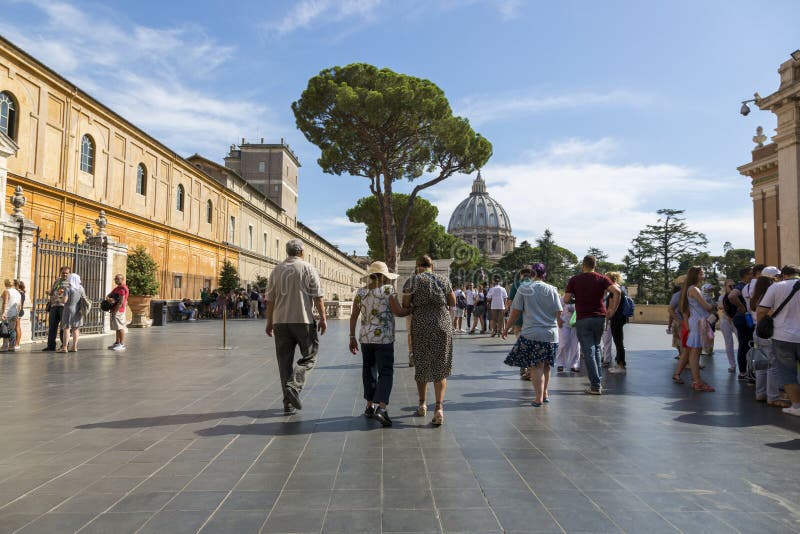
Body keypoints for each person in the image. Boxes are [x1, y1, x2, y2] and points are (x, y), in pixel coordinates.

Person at [265, 239, 326, 414]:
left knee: (284, 362)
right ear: (301, 252)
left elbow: (270, 300)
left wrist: (269, 322)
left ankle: (288, 403)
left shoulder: (276, 270)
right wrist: (323, 318)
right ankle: (295, 385)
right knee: (310, 356)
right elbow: (318, 296)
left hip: (280, 321)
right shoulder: (308, 268)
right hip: (302, 319)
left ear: (288, 252)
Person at [349, 261, 408, 427]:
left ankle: (369, 406)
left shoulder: (360, 292)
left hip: (365, 338)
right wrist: (411, 309)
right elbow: (398, 312)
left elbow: (353, 316)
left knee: (368, 370)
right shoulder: (388, 290)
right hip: (384, 338)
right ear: (383, 276)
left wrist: (351, 336)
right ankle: (381, 408)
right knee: (385, 371)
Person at [402, 255, 455, 426]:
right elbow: (452, 301)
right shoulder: (443, 280)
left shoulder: (412, 281)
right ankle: (439, 408)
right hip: (442, 324)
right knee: (440, 366)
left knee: (422, 363)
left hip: (421, 325)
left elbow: (405, 304)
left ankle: (422, 404)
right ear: (432, 266)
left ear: (417, 266)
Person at [502, 263, 562, 406]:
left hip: (533, 333)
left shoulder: (524, 288)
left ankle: (538, 398)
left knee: (536, 366)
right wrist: (559, 324)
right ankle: (545, 393)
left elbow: (515, 312)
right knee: (546, 366)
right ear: (544, 274)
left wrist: (506, 328)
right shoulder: (552, 289)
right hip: (551, 334)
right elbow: (559, 312)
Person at [564, 255, 620, 395]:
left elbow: (566, 299)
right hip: (599, 318)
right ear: (595, 265)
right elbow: (617, 291)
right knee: (596, 348)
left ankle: (595, 386)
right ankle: (598, 380)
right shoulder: (602, 278)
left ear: (583, 265)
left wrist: (575, 297)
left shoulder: (575, 279)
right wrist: (612, 310)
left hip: (583, 318)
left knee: (588, 351)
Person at [757, 264, 800, 417]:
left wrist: (762, 327)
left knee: (787, 373)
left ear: (783, 275)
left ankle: (796, 407)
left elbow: (761, 310)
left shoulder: (776, 287)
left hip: (782, 336)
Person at [673, 266, 715, 392]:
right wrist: (714, 305)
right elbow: (707, 307)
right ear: (696, 275)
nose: (704, 275)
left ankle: (696, 380)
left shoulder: (689, 289)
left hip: (695, 322)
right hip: (698, 323)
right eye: (701, 273)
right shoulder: (694, 289)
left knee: (693, 352)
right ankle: (697, 381)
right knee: (695, 353)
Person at [750, 268, 787, 406]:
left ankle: (760, 393)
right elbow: (770, 313)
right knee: (773, 365)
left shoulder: (755, 296)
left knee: (761, 364)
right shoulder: (769, 296)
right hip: (768, 332)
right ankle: (773, 397)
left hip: (758, 331)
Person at [729, 266, 755, 380]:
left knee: (745, 344)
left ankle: (745, 371)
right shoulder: (742, 285)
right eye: (751, 273)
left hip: (741, 318)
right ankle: (744, 371)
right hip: (744, 318)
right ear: (745, 275)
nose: (752, 275)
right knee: (745, 344)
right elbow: (732, 296)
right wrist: (741, 307)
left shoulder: (745, 285)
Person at [509, 266, 532, 379]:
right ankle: (530, 368)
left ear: (521, 274)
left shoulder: (516, 284)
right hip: (532, 320)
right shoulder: (535, 285)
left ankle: (524, 367)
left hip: (519, 319)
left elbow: (510, 302)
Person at [605, 272, 629, 373]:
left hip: (616, 319)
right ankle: (619, 363)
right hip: (621, 318)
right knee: (619, 341)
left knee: (618, 342)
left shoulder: (613, 291)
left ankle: (621, 365)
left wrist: (607, 319)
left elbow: (610, 308)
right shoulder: (620, 288)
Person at [43, 266, 70, 351]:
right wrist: (49, 292)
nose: (65, 274)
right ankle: (51, 346)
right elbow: (53, 291)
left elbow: (67, 294)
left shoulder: (70, 282)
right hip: (54, 306)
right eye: (63, 273)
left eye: (67, 273)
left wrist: (57, 296)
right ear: (60, 273)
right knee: (52, 326)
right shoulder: (57, 281)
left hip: (64, 307)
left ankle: (64, 345)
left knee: (63, 327)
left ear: (69, 274)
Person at [59, 273, 86, 352]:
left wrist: (59, 298)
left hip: (68, 309)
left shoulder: (68, 289)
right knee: (76, 329)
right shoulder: (81, 288)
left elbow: (64, 300)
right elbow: (84, 298)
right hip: (78, 310)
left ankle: (64, 347)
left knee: (66, 328)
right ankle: (74, 347)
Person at [718, 279, 738, 373]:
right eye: (729, 286)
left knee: (742, 342)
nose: (732, 287)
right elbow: (720, 306)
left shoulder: (737, 295)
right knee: (729, 343)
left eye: (733, 285)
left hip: (736, 320)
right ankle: (732, 364)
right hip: (726, 320)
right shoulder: (722, 296)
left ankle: (746, 364)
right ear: (725, 286)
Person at [556, 297, 580, 372]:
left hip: (576, 323)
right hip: (564, 323)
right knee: (563, 344)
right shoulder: (563, 299)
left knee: (575, 345)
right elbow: (557, 309)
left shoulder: (579, 297)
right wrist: (558, 319)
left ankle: (574, 364)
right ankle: (560, 364)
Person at [107, 274, 129, 351]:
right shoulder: (117, 288)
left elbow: (120, 302)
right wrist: (110, 299)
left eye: (118, 279)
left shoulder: (123, 289)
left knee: (121, 327)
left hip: (119, 310)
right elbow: (108, 295)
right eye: (115, 279)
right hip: (115, 310)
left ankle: (122, 344)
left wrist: (115, 311)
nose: (116, 280)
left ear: (122, 279)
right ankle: (117, 343)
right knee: (117, 327)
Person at [0, 279, 21, 352]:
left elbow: (5, 302)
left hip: (7, 313)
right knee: (12, 330)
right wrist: (17, 313)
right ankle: (12, 346)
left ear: (6, 284)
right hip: (15, 313)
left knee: (5, 330)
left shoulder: (6, 291)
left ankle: (5, 346)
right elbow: (19, 305)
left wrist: (3, 313)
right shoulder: (18, 292)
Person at [700, 283, 717, 356]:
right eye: (709, 289)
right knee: (705, 334)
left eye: (711, 289)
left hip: (711, 318)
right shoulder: (702, 297)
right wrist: (713, 305)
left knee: (710, 334)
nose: (711, 291)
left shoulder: (710, 297)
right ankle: (705, 349)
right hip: (705, 318)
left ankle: (709, 349)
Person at [13, 280, 25, 350]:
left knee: (17, 327)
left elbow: (19, 304)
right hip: (19, 311)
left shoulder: (19, 293)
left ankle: (17, 344)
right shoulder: (21, 292)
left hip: (18, 311)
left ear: (17, 285)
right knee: (17, 327)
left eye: (14, 284)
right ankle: (16, 343)